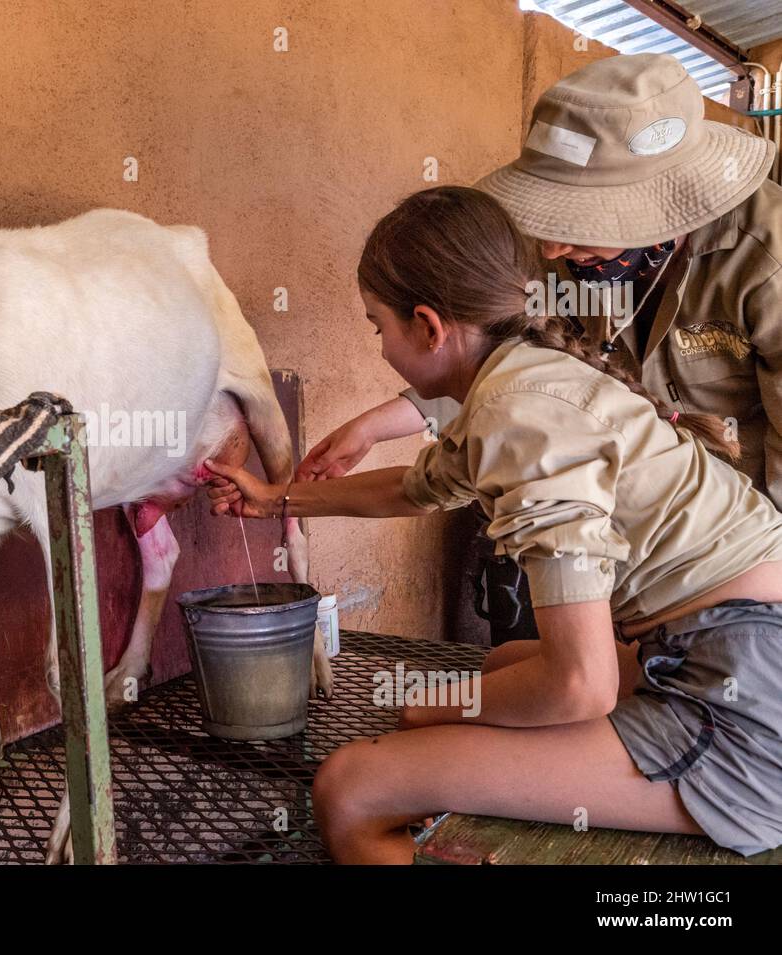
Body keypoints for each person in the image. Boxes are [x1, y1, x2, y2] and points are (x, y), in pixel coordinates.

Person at [205, 186, 782, 863]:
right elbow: (415, 487)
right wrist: (274, 499)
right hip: (728, 641)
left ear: (427, 325)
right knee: (507, 663)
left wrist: (431, 712)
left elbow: (581, 684)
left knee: (351, 787)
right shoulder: (524, 378)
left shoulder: (519, 417)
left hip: (743, 707)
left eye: (377, 326)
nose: (381, 347)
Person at [301, 53, 781, 645]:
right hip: (637, 569)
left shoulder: (767, 261)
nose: (551, 247)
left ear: (663, 201)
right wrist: (379, 424)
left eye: (577, 220)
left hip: (739, 576)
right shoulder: (575, 262)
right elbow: (523, 363)